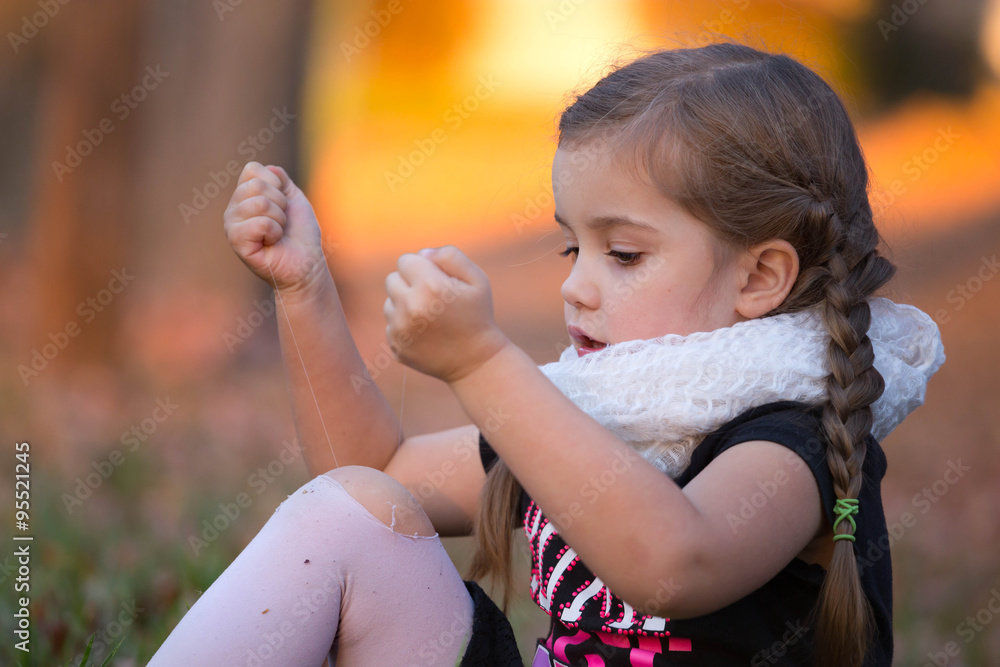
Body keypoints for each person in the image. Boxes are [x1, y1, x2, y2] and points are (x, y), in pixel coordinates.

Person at [148, 41, 945, 666]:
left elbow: (674, 560)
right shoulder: (605, 406)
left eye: (623, 255)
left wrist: (481, 366)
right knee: (350, 517)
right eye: (572, 249)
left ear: (762, 275)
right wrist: (303, 289)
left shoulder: (793, 439)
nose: (578, 289)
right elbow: (371, 479)